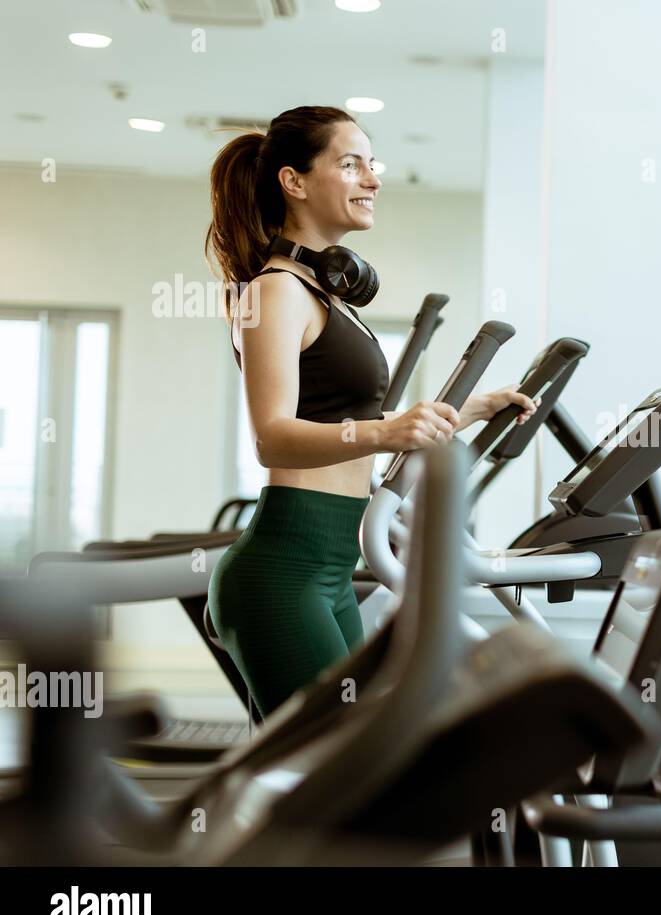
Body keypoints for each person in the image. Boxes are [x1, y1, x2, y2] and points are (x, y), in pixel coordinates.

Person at [204, 105, 535, 716]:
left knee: (328, 772)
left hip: (329, 569)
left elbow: (343, 419)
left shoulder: (324, 295)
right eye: (350, 164)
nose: (373, 179)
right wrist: (388, 430)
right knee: (333, 769)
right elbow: (272, 438)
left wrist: (468, 410)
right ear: (294, 182)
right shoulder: (275, 291)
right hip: (284, 573)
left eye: (371, 164)